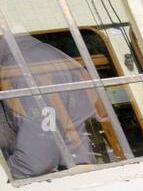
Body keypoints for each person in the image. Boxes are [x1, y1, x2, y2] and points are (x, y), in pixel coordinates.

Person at [0, 32, 98, 179]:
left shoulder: (23, 68)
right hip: (70, 174)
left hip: (59, 180)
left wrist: (6, 180)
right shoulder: (31, 56)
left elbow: (38, 159)